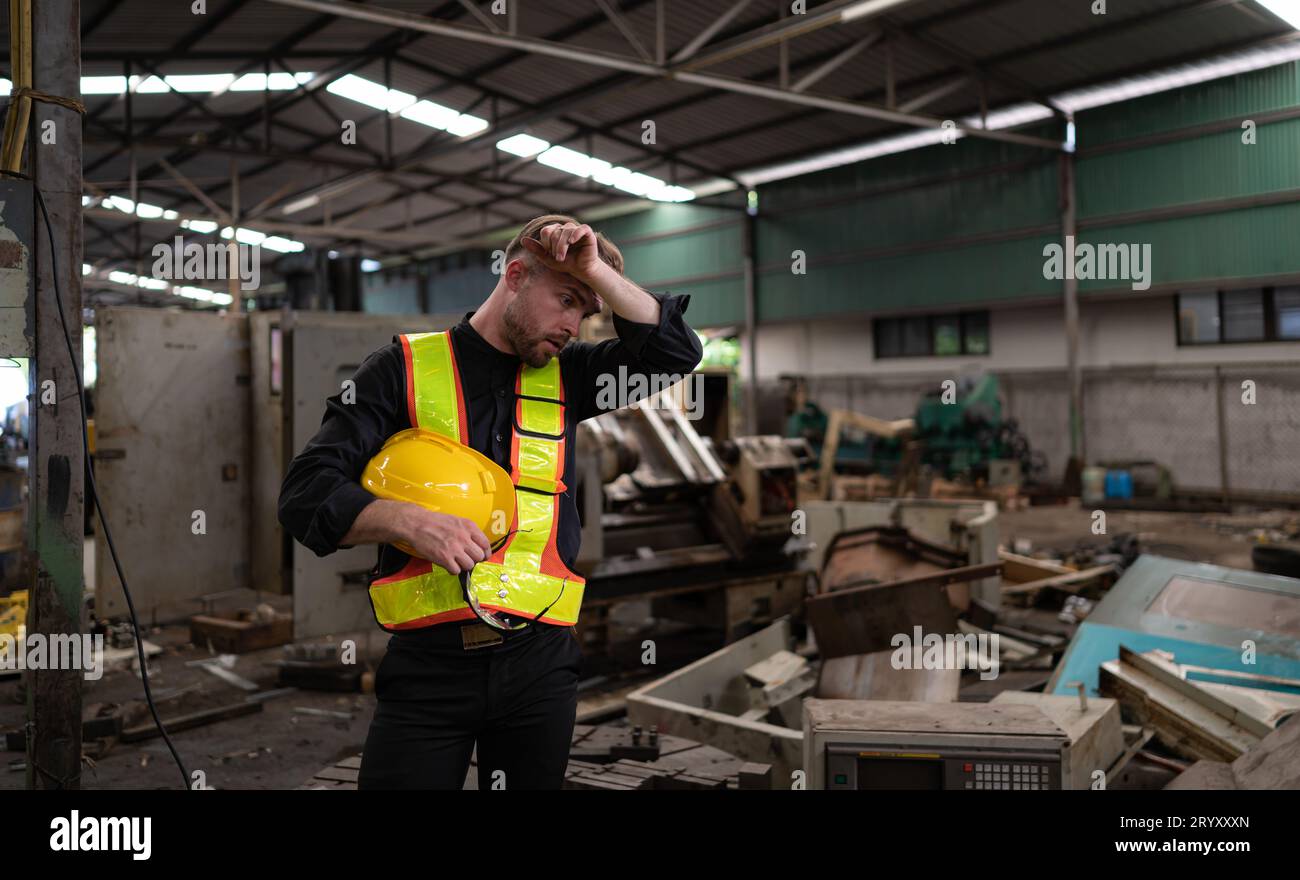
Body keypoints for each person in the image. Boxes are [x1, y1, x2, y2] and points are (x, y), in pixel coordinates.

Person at [277, 214, 703, 789]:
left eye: (587, 308)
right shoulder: (399, 369)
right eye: (566, 299)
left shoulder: (572, 376)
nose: (574, 324)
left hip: (540, 665)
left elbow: (675, 353)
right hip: (429, 670)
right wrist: (404, 520)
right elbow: (305, 493)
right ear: (516, 273)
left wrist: (593, 269)